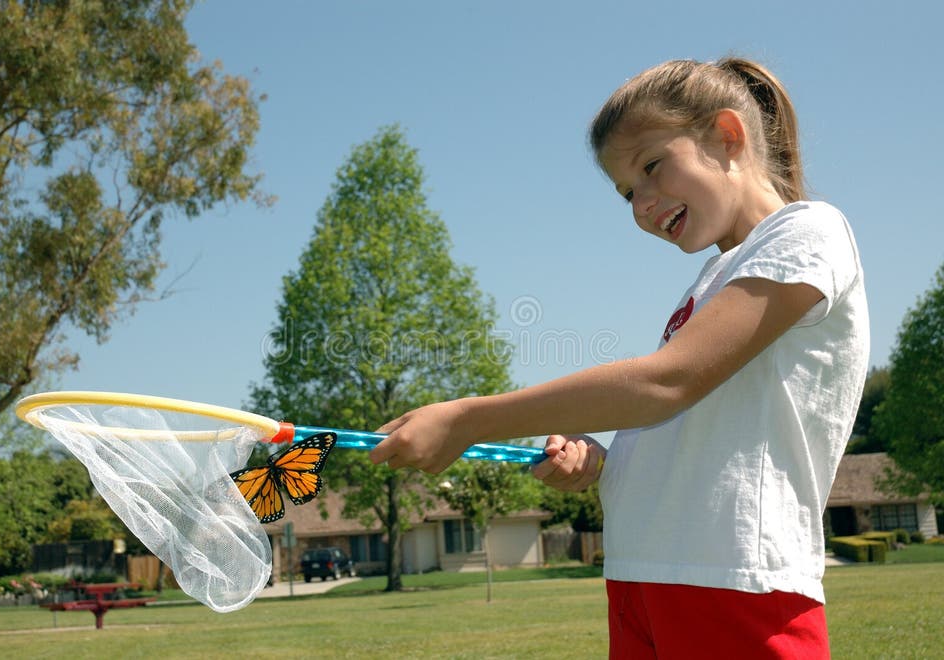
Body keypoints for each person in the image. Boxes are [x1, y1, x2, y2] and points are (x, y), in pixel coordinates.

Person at [369, 56, 869, 658]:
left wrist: (469, 417)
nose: (641, 204)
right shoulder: (711, 281)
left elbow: (669, 382)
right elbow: (689, 425)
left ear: (728, 136)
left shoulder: (808, 232)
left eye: (652, 167)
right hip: (643, 578)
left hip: (735, 585)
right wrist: (605, 463)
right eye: (628, 192)